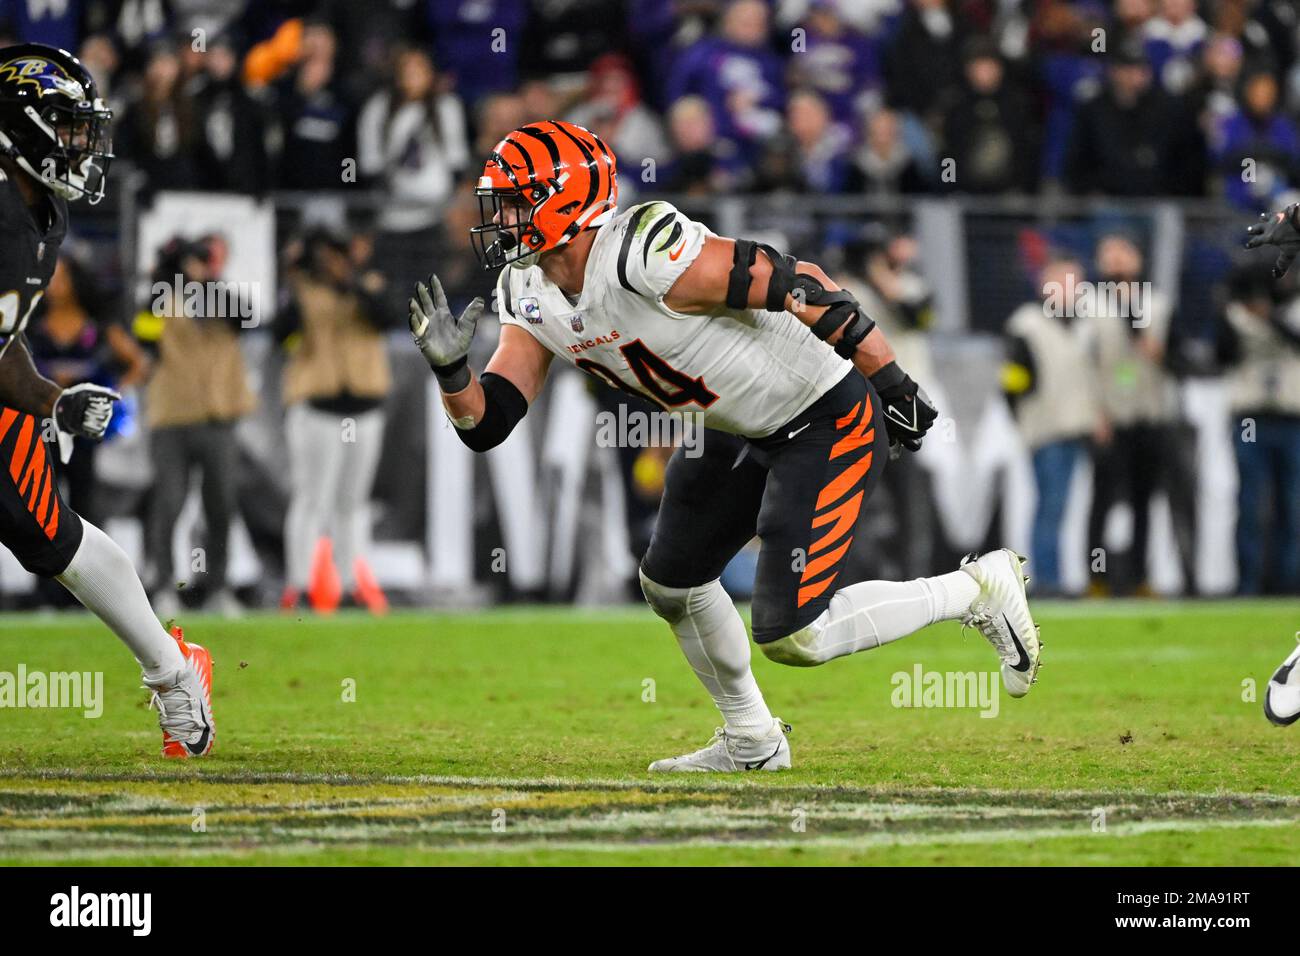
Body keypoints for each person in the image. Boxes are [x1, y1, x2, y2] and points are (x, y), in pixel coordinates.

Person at [408, 120, 1041, 773]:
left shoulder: (642, 254)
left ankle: (976, 589)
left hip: (820, 411)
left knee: (794, 635)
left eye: (516, 200)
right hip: (732, 428)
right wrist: (452, 374)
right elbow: (488, 422)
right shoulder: (527, 289)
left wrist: (891, 380)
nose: (499, 217)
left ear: (565, 199)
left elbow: (799, 281)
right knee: (671, 584)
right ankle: (753, 742)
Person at [0, 43, 213, 757]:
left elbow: (4, 341)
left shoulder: (41, 217)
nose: (81, 147)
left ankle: (173, 669)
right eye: (67, 128)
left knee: (50, 535)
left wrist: (48, 401)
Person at [276, 228, 397, 613]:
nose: (331, 263)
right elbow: (282, 334)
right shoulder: (302, 291)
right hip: (317, 408)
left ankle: (349, 585)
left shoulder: (370, 285)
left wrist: (354, 283)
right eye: (325, 255)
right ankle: (300, 585)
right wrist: (292, 279)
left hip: (364, 407)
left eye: (338, 254)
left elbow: (389, 318)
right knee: (312, 499)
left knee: (353, 503)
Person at [1001, 255, 1102, 595]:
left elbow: (1094, 376)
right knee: (1050, 503)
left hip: (1077, 426)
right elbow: (1012, 380)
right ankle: (1046, 579)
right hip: (1045, 427)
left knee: (1062, 505)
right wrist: (1023, 419)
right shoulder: (1027, 323)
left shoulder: (1085, 325)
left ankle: (1056, 575)